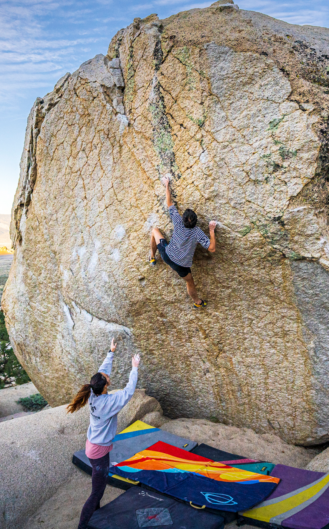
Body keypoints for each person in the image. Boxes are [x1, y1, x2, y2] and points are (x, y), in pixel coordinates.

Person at [68, 337, 141, 529]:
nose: (108, 377)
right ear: (105, 386)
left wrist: (111, 352)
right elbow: (128, 392)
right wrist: (134, 367)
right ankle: (82, 526)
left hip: (94, 446)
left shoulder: (93, 392)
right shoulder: (107, 404)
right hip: (98, 450)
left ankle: (97, 513)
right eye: (108, 380)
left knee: (98, 483)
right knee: (97, 492)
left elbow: (102, 371)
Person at [149, 175, 217, 308]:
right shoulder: (197, 232)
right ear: (196, 222)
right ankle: (198, 302)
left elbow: (169, 203)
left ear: (184, 219)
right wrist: (211, 230)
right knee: (190, 282)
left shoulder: (178, 222)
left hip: (167, 255)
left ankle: (152, 256)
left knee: (154, 231)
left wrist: (167, 184)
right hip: (181, 266)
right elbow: (212, 248)